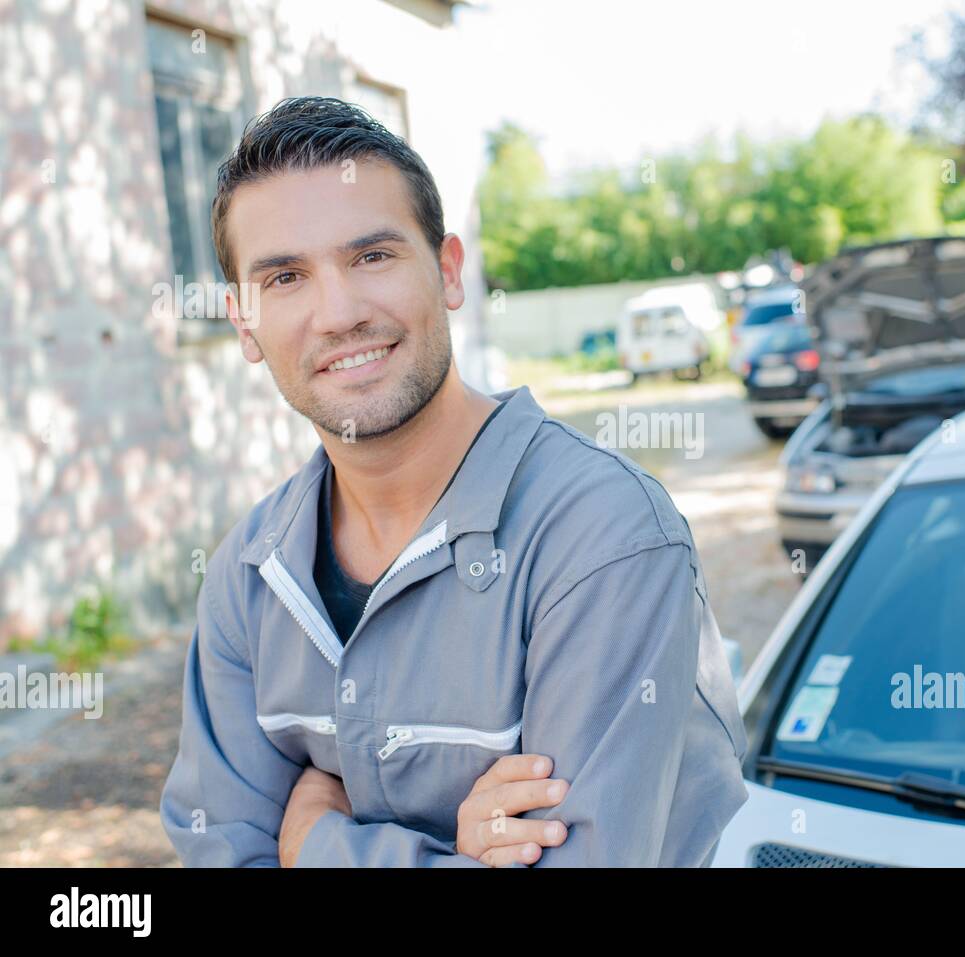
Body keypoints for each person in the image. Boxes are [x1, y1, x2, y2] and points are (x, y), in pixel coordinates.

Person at [158, 96, 748, 867]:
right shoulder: (247, 578)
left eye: (371, 256)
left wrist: (317, 841)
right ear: (243, 321)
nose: (338, 314)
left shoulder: (607, 538)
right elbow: (218, 852)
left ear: (447, 270)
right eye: (286, 277)